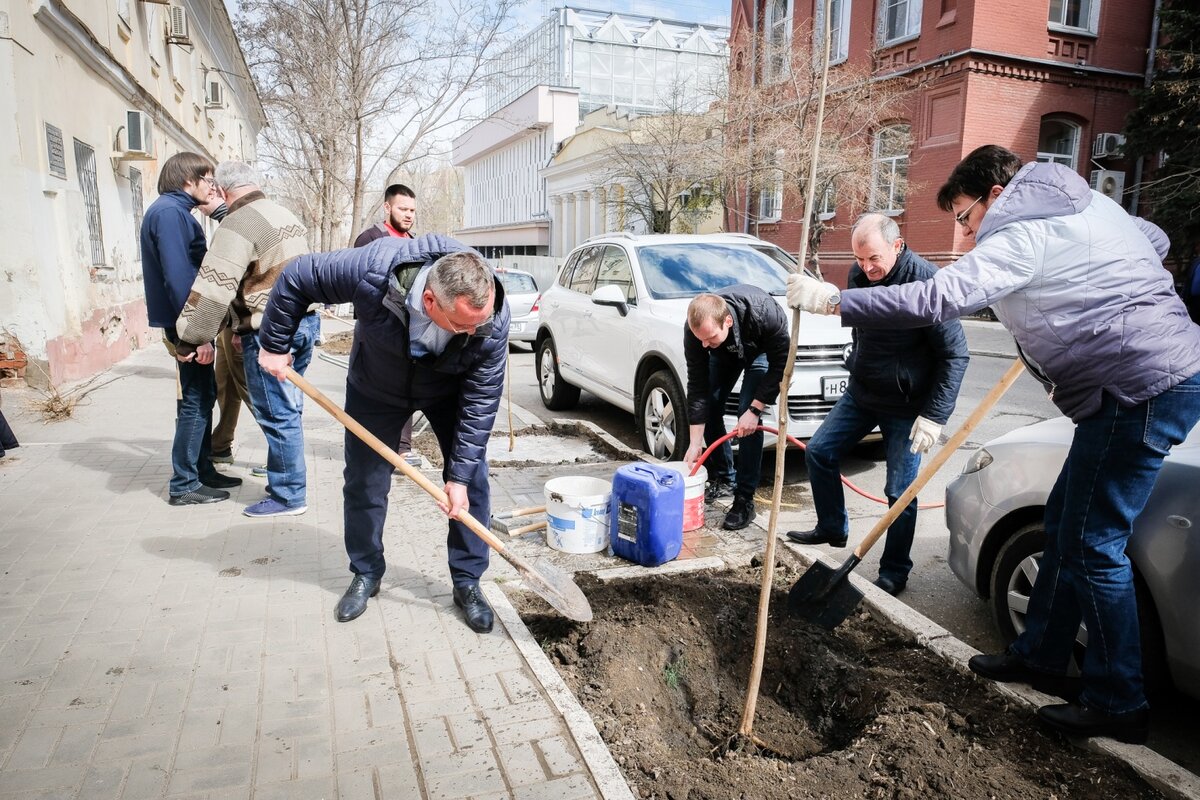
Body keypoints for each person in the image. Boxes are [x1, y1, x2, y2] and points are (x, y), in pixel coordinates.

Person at [786, 144, 1200, 744]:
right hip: (1140, 379)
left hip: (1137, 385)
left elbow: (936, 300)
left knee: (1091, 542)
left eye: (965, 214)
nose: (965, 230)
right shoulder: (1090, 207)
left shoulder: (1022, 234)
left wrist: (833, 300)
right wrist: (1098, 286)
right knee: (1064, 524)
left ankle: (1118, 700)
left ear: (996, 195)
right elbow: (1155, 241)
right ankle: (1042, 654)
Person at [256, 235, 509, 632]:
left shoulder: (489, 320)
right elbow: (297, 277)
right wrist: (273, 343)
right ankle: (366, 571)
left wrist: (456, 477)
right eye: (462, 325)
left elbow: (481, 402)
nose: (472, 333)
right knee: (364, 482)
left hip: (449, 390)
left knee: (472, 482)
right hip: (377, 386)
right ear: (429, 301)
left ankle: (467, 582)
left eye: (479, 324)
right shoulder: (372, 271)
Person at [786, 213, 969, 596]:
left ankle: (895, 569)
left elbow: (955, 355)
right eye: (859, 259)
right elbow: (863, 328)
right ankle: (832, 527)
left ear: (897, 246)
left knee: (899, 491)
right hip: (864, 392)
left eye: (874, 259)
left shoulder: (927, 282)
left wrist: (934, 415)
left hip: (907, 406)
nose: (866, 268)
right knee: (819, 451)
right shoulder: (858, 276)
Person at [174, 161, 317, 518]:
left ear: (222, 192)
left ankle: (289, 496)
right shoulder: (285, 214)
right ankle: (285, 482)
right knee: (290, 409)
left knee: (277, 414)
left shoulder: (239, 223)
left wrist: (190, 338)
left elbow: (214, 288)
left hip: (271, 333)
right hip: (304, 324)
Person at [140, 151, 242, 505]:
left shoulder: (173, 211)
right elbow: (179, 277)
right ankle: (184, 484)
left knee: (204, 396)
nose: (213, 187)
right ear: (189, 180)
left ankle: (201, 470)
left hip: (185, 323)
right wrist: (195, 335)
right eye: (208, 180)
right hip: (186, 326)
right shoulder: (170, 214)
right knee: (196, 402)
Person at [682, 287, 790, 531]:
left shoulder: (764, 314)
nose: (705, 346)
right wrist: (695, 442)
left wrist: (754, 410)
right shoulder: (698, 333)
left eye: (710, 338)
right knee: (709, 405)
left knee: (746, 415)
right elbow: (697, 385)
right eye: (702, 340)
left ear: (727, 321)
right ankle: (723, 477)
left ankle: (744, 499)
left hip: (760, 350)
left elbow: (780, 366)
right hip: (727, 354)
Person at [353, 183, 420, 466]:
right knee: (371, 388)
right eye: (403, 209)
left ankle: (402, 447)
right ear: (387, 207)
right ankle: (368, 446)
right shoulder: (370, 238)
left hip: (405, 329)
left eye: (412, 211)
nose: (408, 215)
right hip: (373, 329)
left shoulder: (415, 242)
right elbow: (356, 280)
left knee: (405, 388)